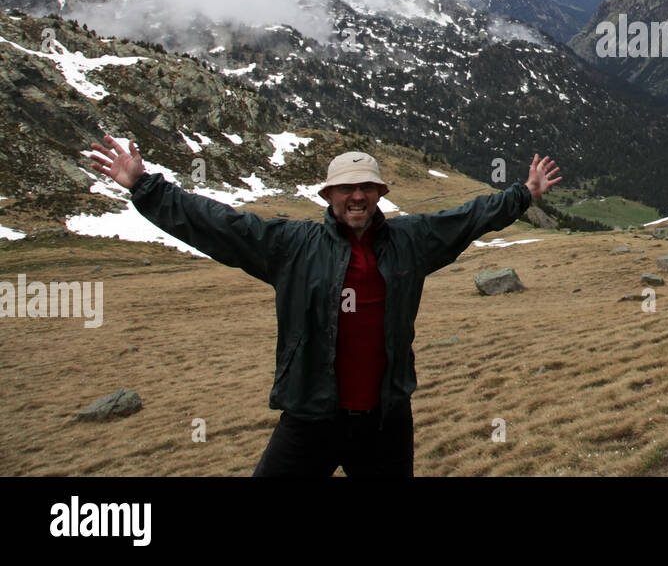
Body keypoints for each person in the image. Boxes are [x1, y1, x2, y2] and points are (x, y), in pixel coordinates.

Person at [87, 134, 561, 477]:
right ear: (329, 195)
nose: (358, 196)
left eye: (368, 188)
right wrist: (145, 188)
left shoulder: (411, 240)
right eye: (347, 189)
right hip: (310, 415)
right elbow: (220, 226)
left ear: (380, 195)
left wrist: (524, 194)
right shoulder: (292, 245)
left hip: (385, 418)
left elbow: (468, 218)